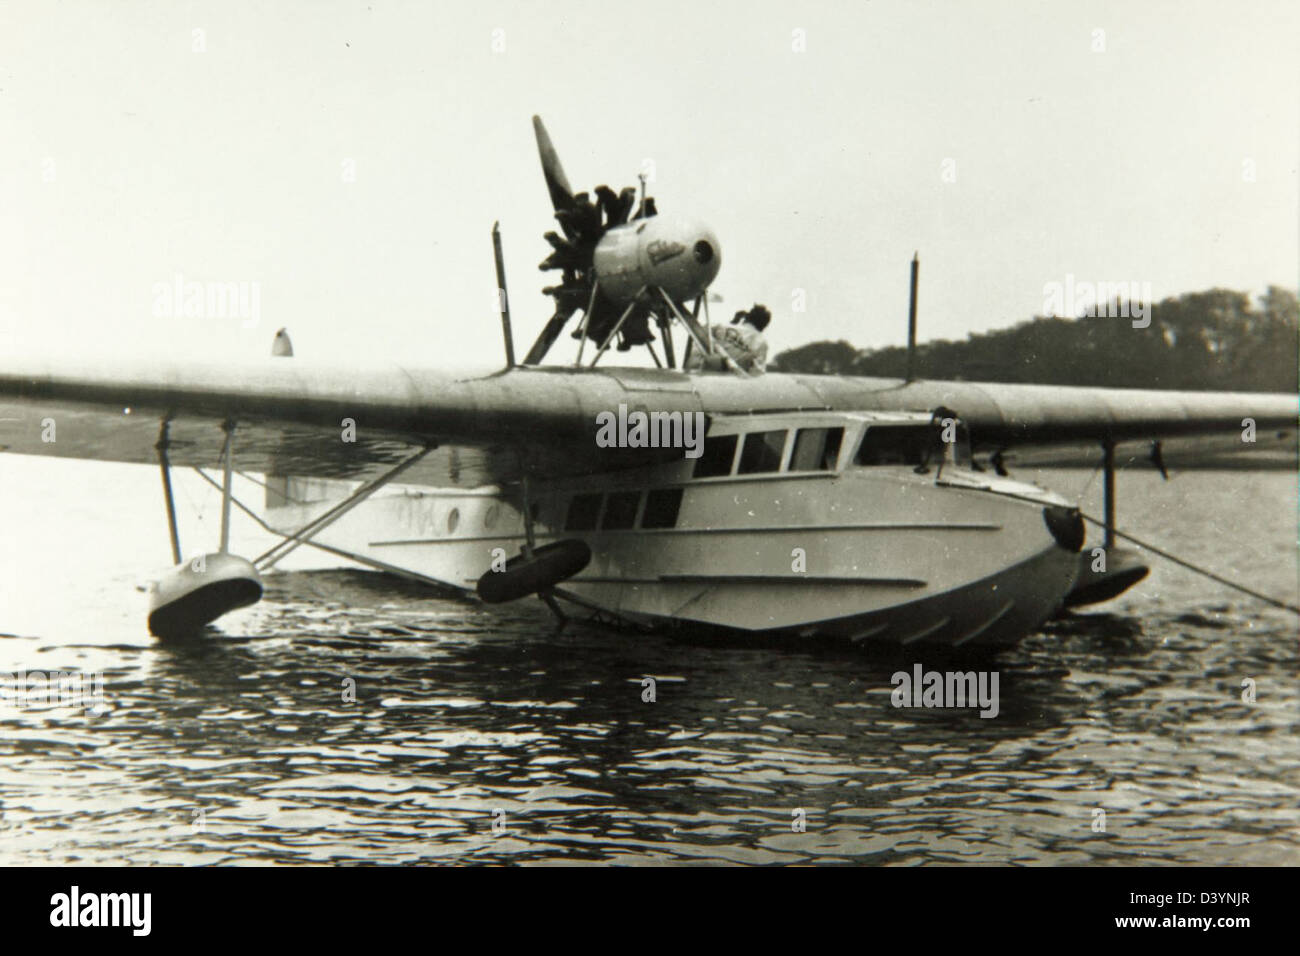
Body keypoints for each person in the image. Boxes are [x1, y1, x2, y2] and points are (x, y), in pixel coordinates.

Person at [686, 304, 771, 374]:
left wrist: (733, 322)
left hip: (700, 372)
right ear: (764, 326)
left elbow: (702, 331)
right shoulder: (762, 342)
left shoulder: (720, 326)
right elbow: (757, 372)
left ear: (747, 317)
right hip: (729, 381)